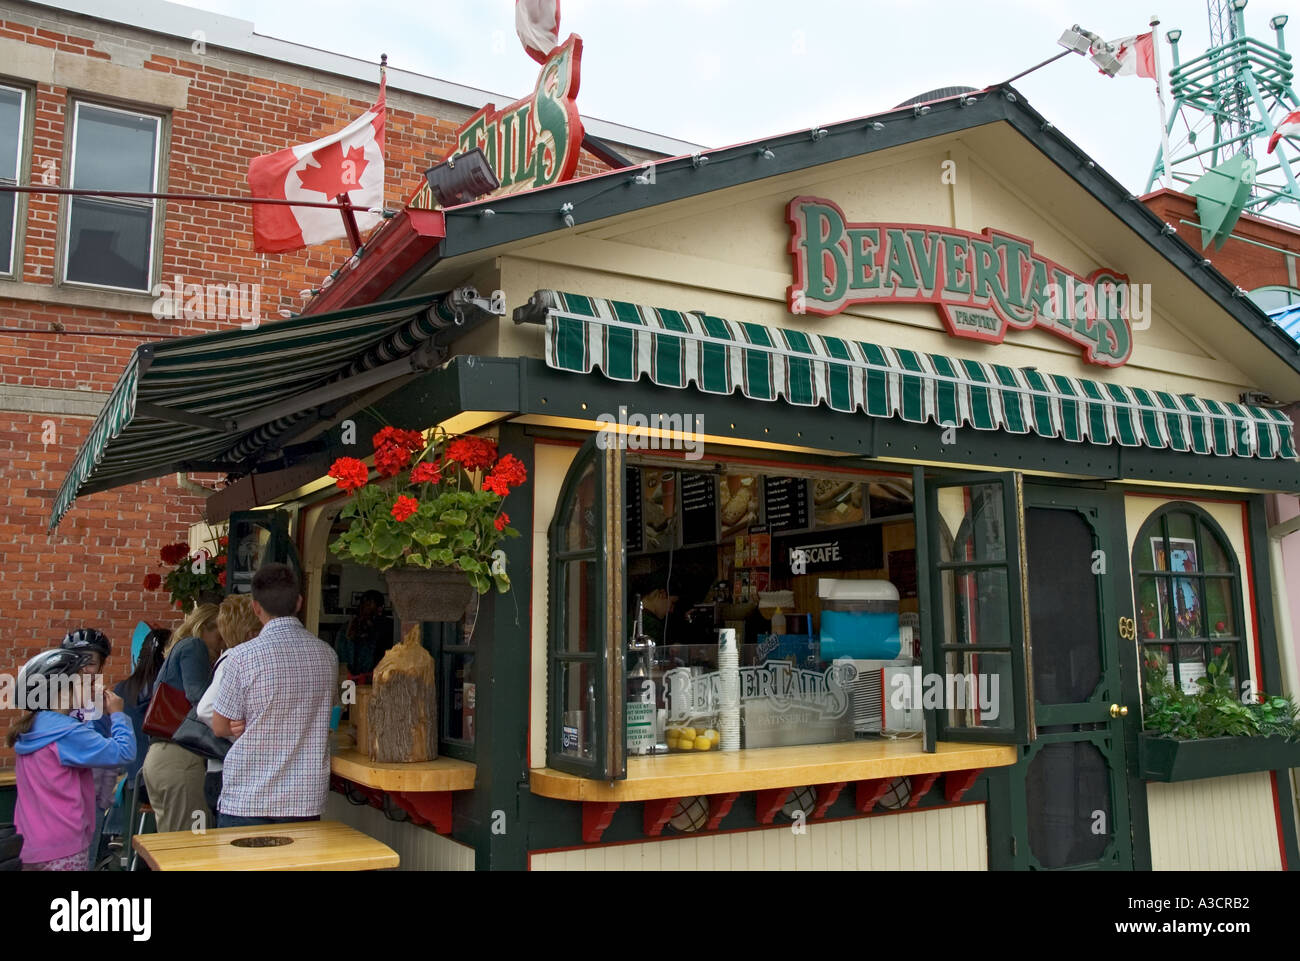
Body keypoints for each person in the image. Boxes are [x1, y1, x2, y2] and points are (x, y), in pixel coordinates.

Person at [213, 564, 337, 827]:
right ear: (299, 602)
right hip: (303, 800)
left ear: (256, 608)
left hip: (248, 797)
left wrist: (243, 722)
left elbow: (220, 726)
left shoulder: (241, 658)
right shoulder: (327, 654)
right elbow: (328, 715)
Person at [8, 649, 135, 871]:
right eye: (82, 679)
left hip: (29, 845)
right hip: (65, 846)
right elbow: (124, 752)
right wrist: (117, 714)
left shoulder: (33, 727)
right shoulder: (68, 732)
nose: (91, 685)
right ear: (63, 689)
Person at [141, 604, 221, 833]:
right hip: (181, 759)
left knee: (176, 841)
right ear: (205, 626)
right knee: (194, 838)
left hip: (163, 758)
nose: (223, 641)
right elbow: (200, 698)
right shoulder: (194, 646)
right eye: (219, 633)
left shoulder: (179, 648)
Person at [194, 596, 260, 817]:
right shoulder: (235, 659)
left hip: (220, 770)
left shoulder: (231, 657)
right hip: (223, 769)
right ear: (251, 632)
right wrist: (234, 732)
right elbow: (205, 709)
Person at [59, 629, 115, 863]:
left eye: (91, 662)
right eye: (78, 659)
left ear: (101, 667)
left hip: (91, 798)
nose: (84, 667)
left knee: (85, 861)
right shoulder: (53, 699)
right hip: (58, 797)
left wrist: (105, 797)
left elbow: (112, 753)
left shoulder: (105, 703)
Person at [337, 589, 394, 678]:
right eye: (364, 604)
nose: (365, 608)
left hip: (370, 676)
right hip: (358, 676)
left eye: (369, 604)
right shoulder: (349, 627)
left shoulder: (386, 626)